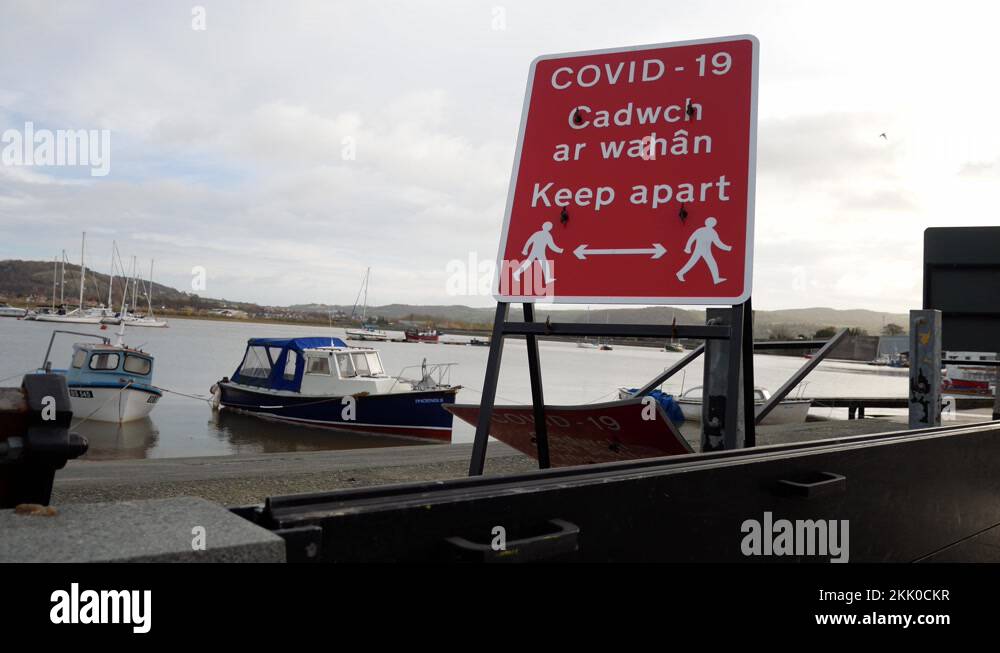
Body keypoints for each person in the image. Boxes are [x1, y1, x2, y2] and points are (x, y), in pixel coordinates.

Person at [676, 217, 731, 285]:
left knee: (711, 263)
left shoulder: (712, 232)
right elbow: (692, 238)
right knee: (693, 263)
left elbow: (717, 243)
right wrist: (687, 247)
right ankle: (680, 273)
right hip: (699, 250)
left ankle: (716, 279)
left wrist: (727, 248)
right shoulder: (702, 230)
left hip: (706, 251)